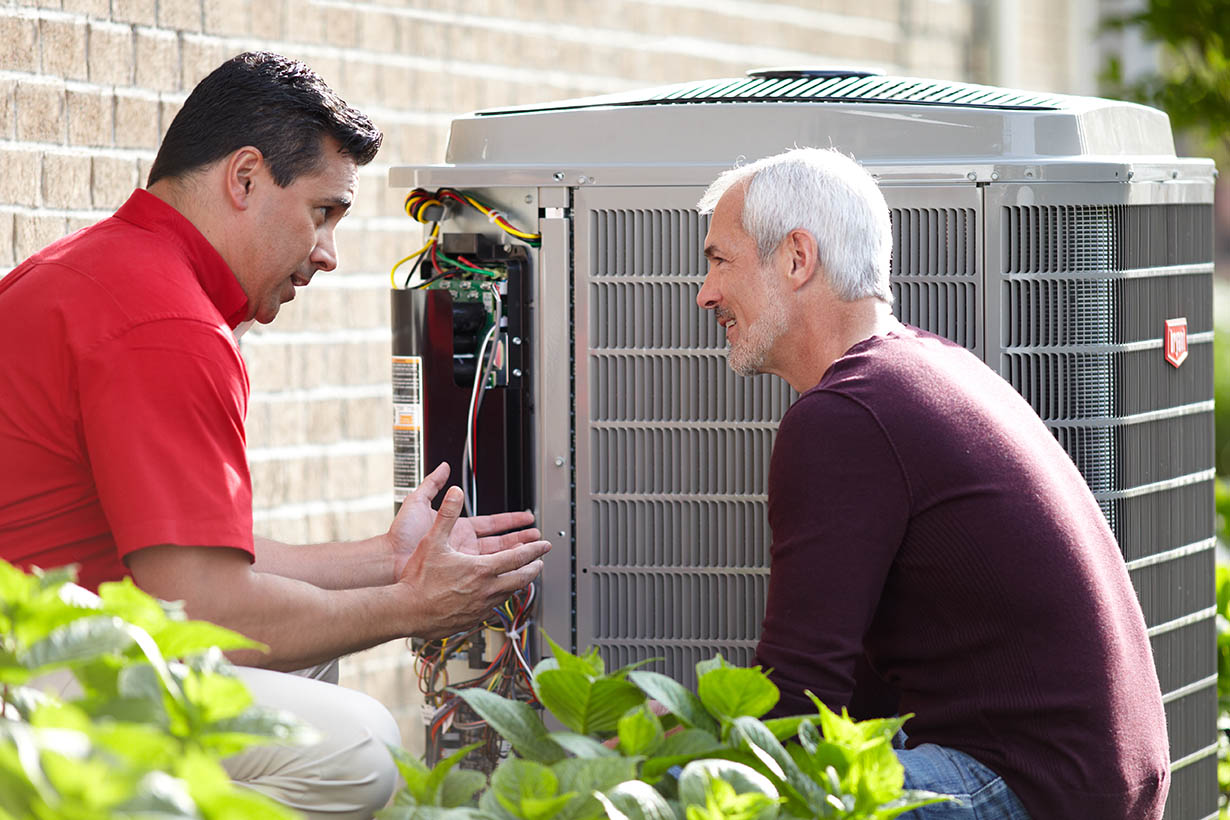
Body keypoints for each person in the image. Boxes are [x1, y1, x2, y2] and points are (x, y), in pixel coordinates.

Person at [0, 52, 550, 819]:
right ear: (246, 178)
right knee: (359, 744)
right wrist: (413, 606)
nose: (328, 253)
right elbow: (209, 611)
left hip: (46, 648)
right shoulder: (165, 325)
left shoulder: (100, 271)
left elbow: (196, 567)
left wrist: (392, 561)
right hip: (26, 682)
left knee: (306, 659)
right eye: (323, 212)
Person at [695, 148, 1169, 819]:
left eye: (720, 259)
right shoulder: (928, 369)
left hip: (1020, 787)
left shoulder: (844, 415)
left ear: (797, 258)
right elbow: (854, 691)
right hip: (1096, 783)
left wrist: (672, 755)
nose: (705, 291)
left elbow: (797, 693)